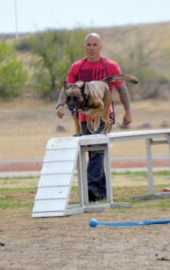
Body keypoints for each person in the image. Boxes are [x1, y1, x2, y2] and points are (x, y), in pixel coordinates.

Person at [55, 32, 132, 202]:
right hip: (83, 118)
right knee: (93, 153)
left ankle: (91, 191)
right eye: (88, 44)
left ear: (100, 46)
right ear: (85, 46)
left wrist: (128, 111)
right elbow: (66, 89)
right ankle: (101, 191)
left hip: (103, 113)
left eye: (95, 44)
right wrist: (60, 104)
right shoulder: (76, 67)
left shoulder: (111, 66)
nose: (91, 48)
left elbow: (122, 89)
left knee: (96, 150)